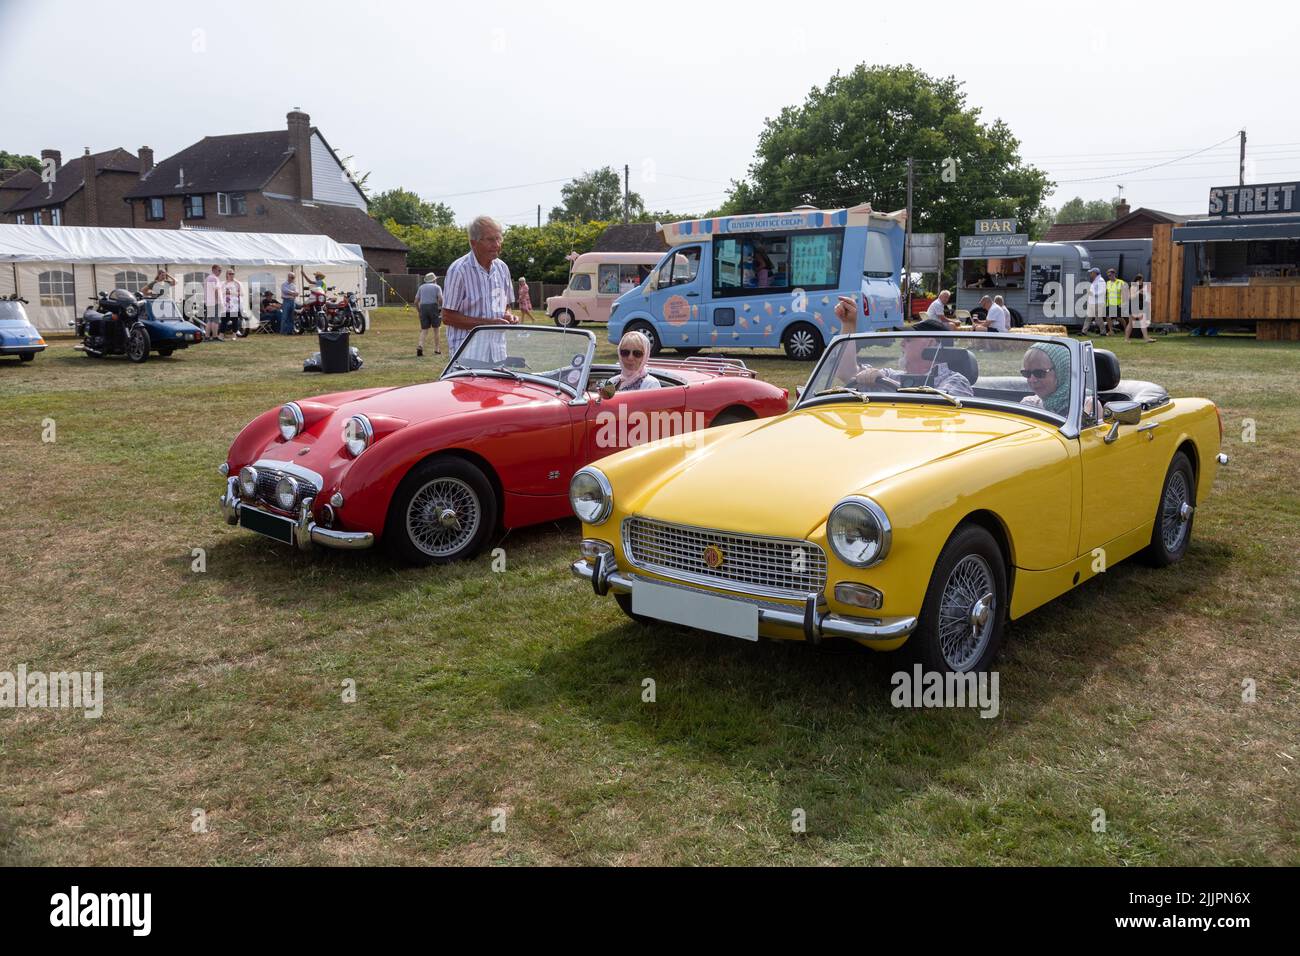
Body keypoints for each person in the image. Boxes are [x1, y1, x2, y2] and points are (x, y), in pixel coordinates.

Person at [829, 302, 974, 397]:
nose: (902, 344)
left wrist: (886, 383)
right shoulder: (892, 375)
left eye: (909, 339)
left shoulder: (956, 381)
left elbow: (940, 408)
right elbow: (846, 372)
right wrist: (848, 323)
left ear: (931, 343)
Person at [441, 215, 518, 364]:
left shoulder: (502, 268)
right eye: (490, 240)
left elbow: (505, 305)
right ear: (473, 243)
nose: (496, 244)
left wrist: (508, 316)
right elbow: (447, 316)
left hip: (498, 353)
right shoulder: (459, 270)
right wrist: (487, 324)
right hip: (468, 354)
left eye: (499, 238)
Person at [1019, 343, 1072, 416]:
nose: (1032, 380)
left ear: (1061, 371)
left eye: (1039, 373)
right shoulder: (1029, 405)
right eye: (1026, 373)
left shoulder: (1083, 407)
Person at [415, 272, 443, 356]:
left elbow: (416, 301)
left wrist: (419, 310)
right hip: (434, 307)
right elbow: (440, 299)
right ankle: (437, 349)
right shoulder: (437, 287)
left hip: (423, 307)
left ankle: (420, 345)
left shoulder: (421, 287)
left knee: (424, 330)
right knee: (436, 329)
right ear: (434, 280)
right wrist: (441, 308)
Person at [1125, 273, 1154, 342]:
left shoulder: (1140, 287)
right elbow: (1131, 297)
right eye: (1141, 280)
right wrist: (1139, 292)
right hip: (1133, 307)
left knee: (1141, 322)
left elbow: (1146, 297)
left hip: (1138, 307)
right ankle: (1127, 339)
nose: (1141, 282)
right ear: (1137, 280)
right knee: (1131, 324)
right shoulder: (1133, 287)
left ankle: (1146, 338)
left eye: (1142, 281)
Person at [1081, 267, 1108, 335]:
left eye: (1091, 273)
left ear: (1095, 273)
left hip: (1098, 302)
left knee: (1098, 318)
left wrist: (1093, 294)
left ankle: (1103, 332)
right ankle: (1084, 332)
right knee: (1088, 317)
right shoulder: (1096, 280)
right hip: (1092, 302)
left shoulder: (1101, 281)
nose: (1090, 274)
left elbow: (1102, 291)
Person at [222, 269, 245, 338]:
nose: (231, 275)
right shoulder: (223, 283)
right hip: (225, 305)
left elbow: (242, 293)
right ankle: (221, 334)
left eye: (233, 274)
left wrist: (231, 293)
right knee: (224, 320)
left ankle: (234, 334)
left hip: (234, 305)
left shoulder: (237, 283)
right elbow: (220, 292)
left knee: (234, 320)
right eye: (230, 274)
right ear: (226, 274)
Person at [203, 264, 223, 341]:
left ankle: (207, 336)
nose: (220, 272)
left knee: (209, 320)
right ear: (214, 270)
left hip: (209, 302)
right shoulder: (214, 278)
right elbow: (216, 291)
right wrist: (218, 301)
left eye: (221, 270)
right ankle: (215, 336)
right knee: (215, 320)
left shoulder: (208, 278)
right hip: (215, 302)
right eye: (219, 270)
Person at [1104, 268, 1125, 335]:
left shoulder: (1120, 282)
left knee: (1119, 318)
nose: (1109, 277)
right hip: (1109, 303)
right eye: (1108, 276)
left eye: (1110, 275)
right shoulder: (1107, 283)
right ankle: (1111, 331)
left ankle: (1126, 329)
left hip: (1118, 303)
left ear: (1114, 274)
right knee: (1108, 317)